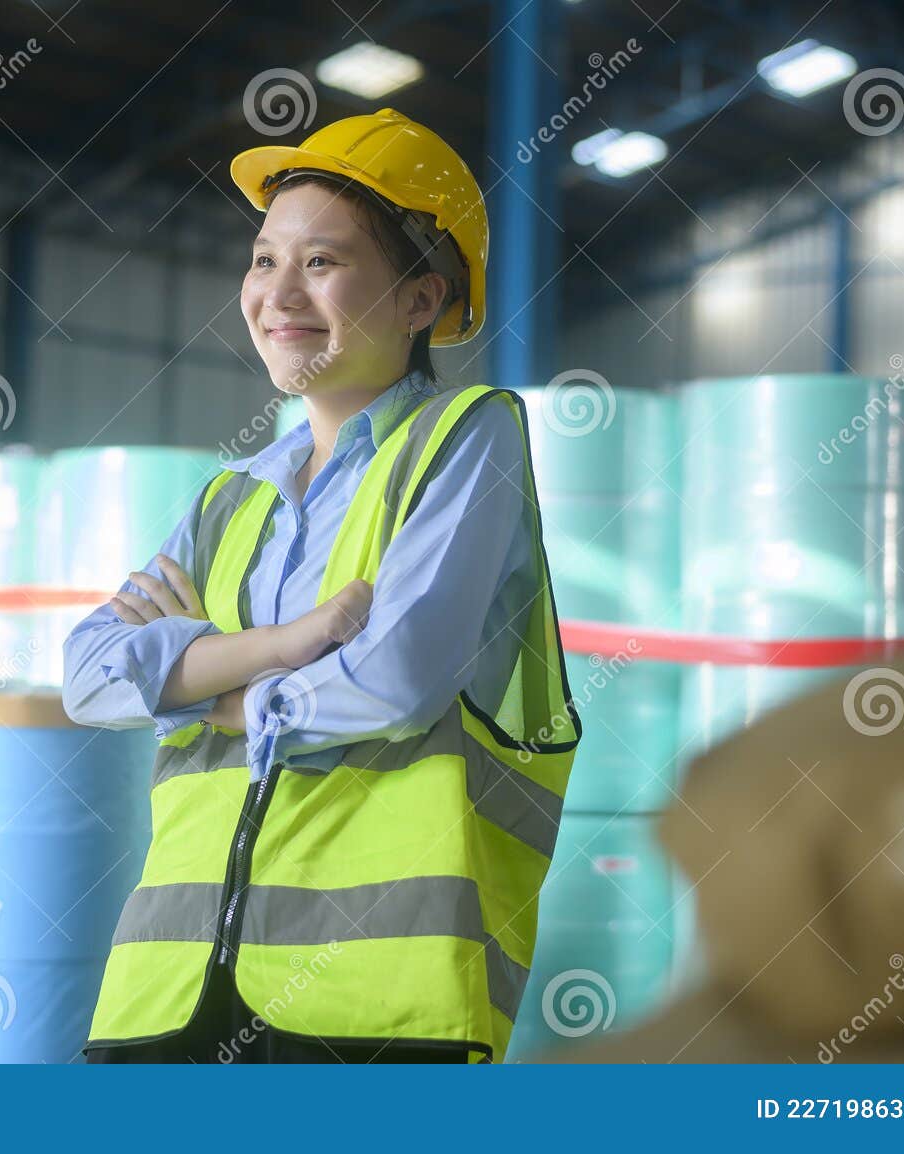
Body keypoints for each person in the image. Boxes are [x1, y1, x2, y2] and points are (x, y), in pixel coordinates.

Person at [62, 107, 580, 1064]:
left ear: (419, 301)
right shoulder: (230, 499)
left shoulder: (466, 439)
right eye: (264, 260)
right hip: (167, 986)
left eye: (321, 261)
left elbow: (395, 682)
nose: (277, 293)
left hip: (372, 1002)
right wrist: (286, 646)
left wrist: (207, 691)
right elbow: (89, 677)